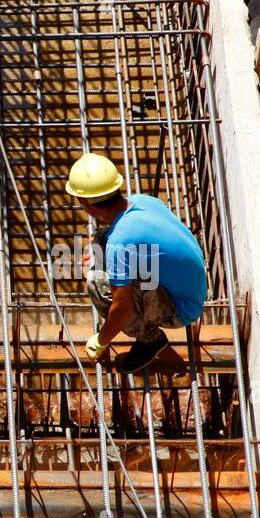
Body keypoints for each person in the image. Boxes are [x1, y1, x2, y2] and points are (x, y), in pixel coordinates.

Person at [66, 153, 208, 376]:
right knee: (103, 239)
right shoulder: (143, 201)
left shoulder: (120, 243)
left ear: (86, 204)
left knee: (97, 285)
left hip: (182, 308)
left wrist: (102, 341)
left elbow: (122, 309)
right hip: (193, 283)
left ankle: (151, 340)